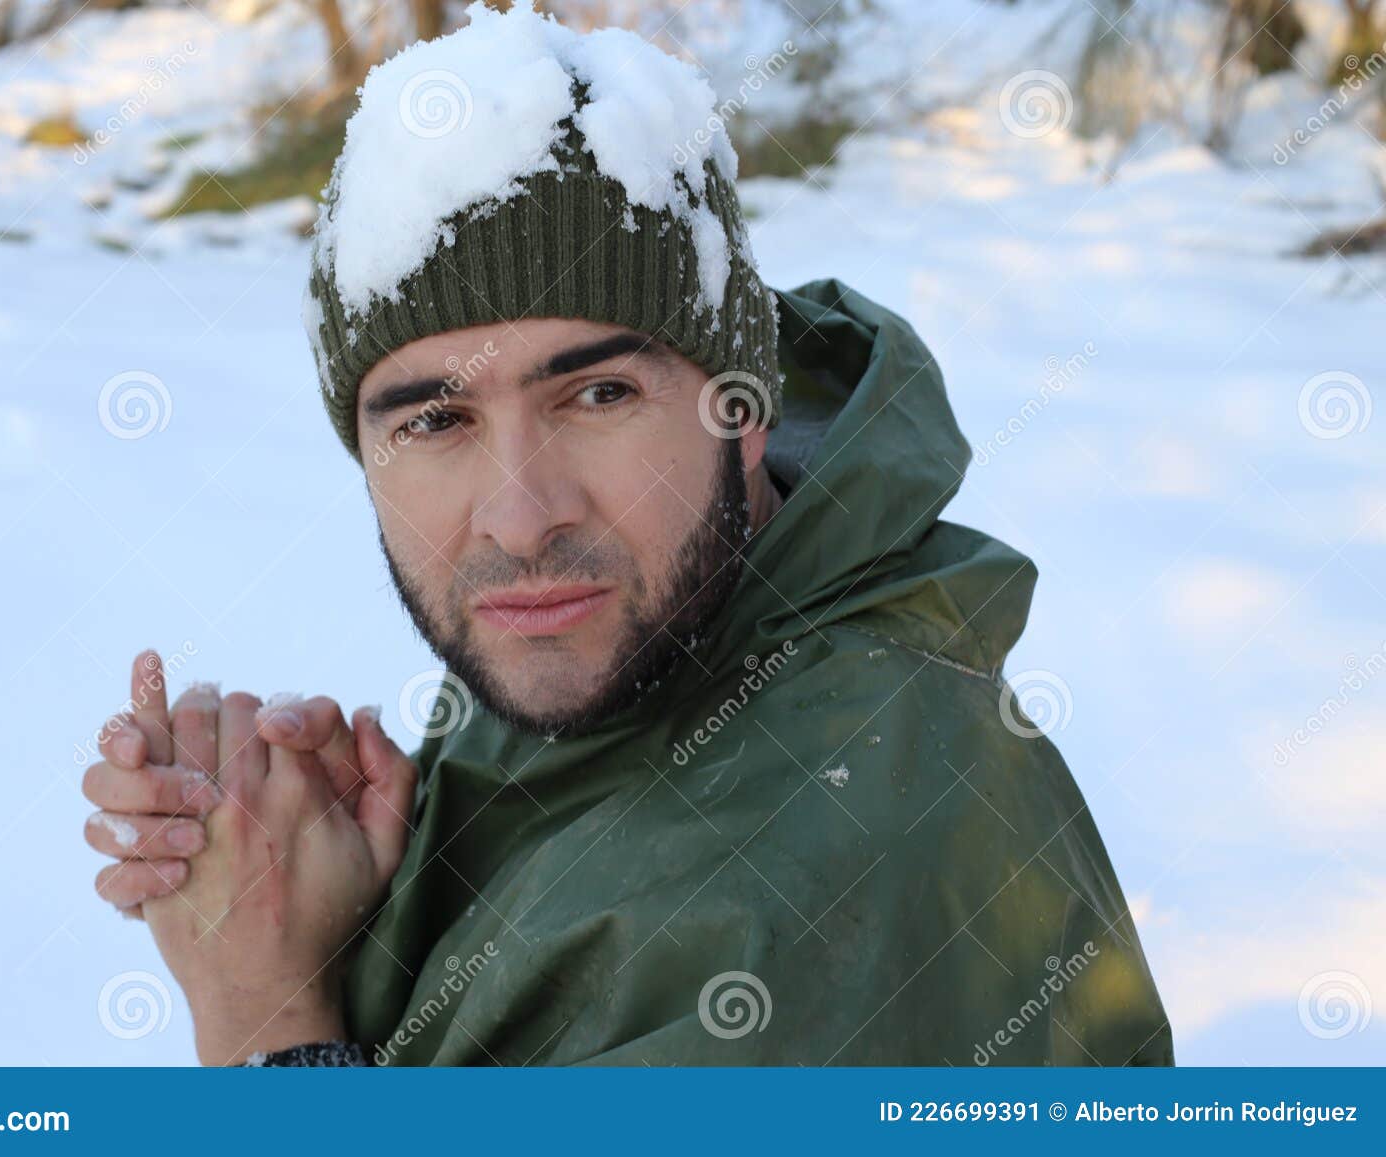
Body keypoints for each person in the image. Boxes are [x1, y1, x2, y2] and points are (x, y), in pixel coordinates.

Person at [80, 2, 1173, 1067]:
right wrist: (354, 898)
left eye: (598, 396)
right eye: (435, 419)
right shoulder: (657, 628)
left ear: (741, 413)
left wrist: (261, 1013)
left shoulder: (823, 881)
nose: (520, 514)